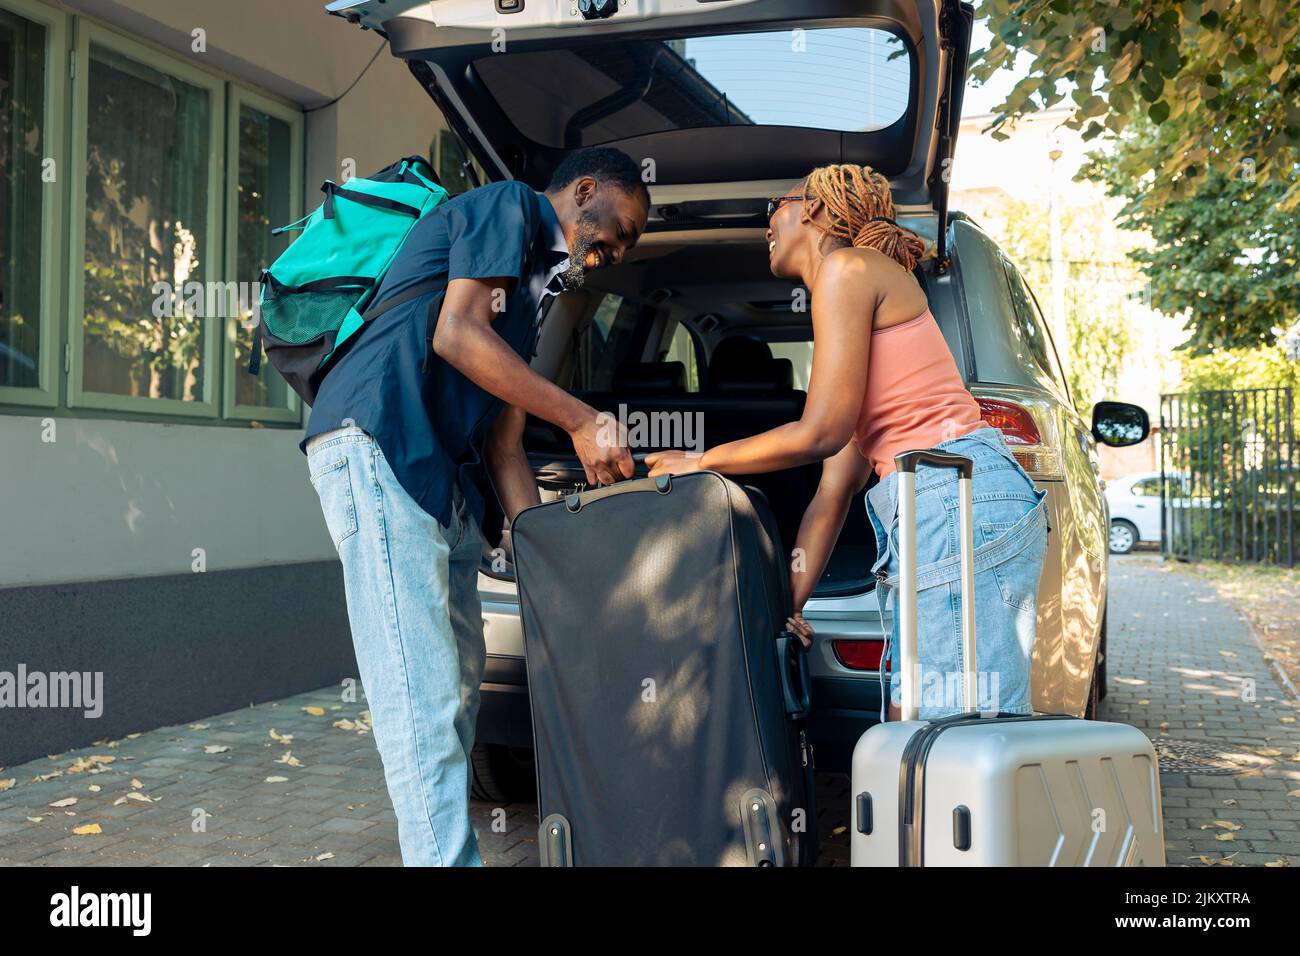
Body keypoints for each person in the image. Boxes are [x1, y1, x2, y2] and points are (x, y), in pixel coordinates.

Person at [302, 147, 647, 865]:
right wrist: (584, 420)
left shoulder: (531, 295)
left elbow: (504, 443)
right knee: (420, 699)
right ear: (585, 190)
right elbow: (455, 333)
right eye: (622, 228)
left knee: (457, 695)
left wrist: (545, 565)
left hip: (437, 479)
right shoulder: (507, 208)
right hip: (377, 443)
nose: (619, 249)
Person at [646, 163, 1049, 722]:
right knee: (923, 718)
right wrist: (785, 607)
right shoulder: (855, 290)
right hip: (939, 499)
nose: (766, 225)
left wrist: (702, 461)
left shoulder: (846, 269)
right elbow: (831, 498)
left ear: (811, 208)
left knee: (958, 723)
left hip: (955, 498)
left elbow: (819, 432)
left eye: (774, 208)